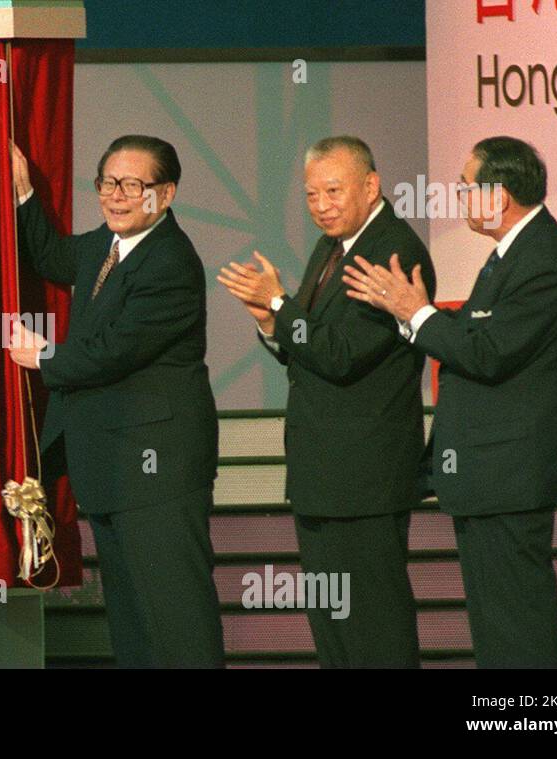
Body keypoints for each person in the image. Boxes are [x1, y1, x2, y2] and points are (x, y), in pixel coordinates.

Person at [342, 136, 557, 668]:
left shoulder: (543, 257)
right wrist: (412, 313)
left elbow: (490, 354)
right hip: (490, 477)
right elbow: (476, 335)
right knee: (499, 629)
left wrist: (416, 313)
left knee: (518, 627)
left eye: (466, 188)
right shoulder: (513, 253)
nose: (459, 197)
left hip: (509, 476)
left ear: (498, 195)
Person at [7, 136, 224, 667]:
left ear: (165, 194)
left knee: (176, 616)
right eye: (108, 183)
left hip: (159, 471)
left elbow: (114, 352)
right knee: (133, 619)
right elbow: (54, 256)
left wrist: (44, 357)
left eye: (133, 185)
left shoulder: (169, 261)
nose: (117, 196)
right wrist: (23, 193)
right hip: (113, 469)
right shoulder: (109, 244)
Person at [217, 135, 433, 667]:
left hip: (366, 476)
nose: (321, 206)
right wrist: (274, 324)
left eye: (333, 191)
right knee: (333, 624)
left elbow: (341, 356)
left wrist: (278, 301)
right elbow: (311, 350)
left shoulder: (392, 251)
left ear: (371, 185)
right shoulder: (334, 246)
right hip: (323, 474)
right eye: (312, 195)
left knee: (374, 625)